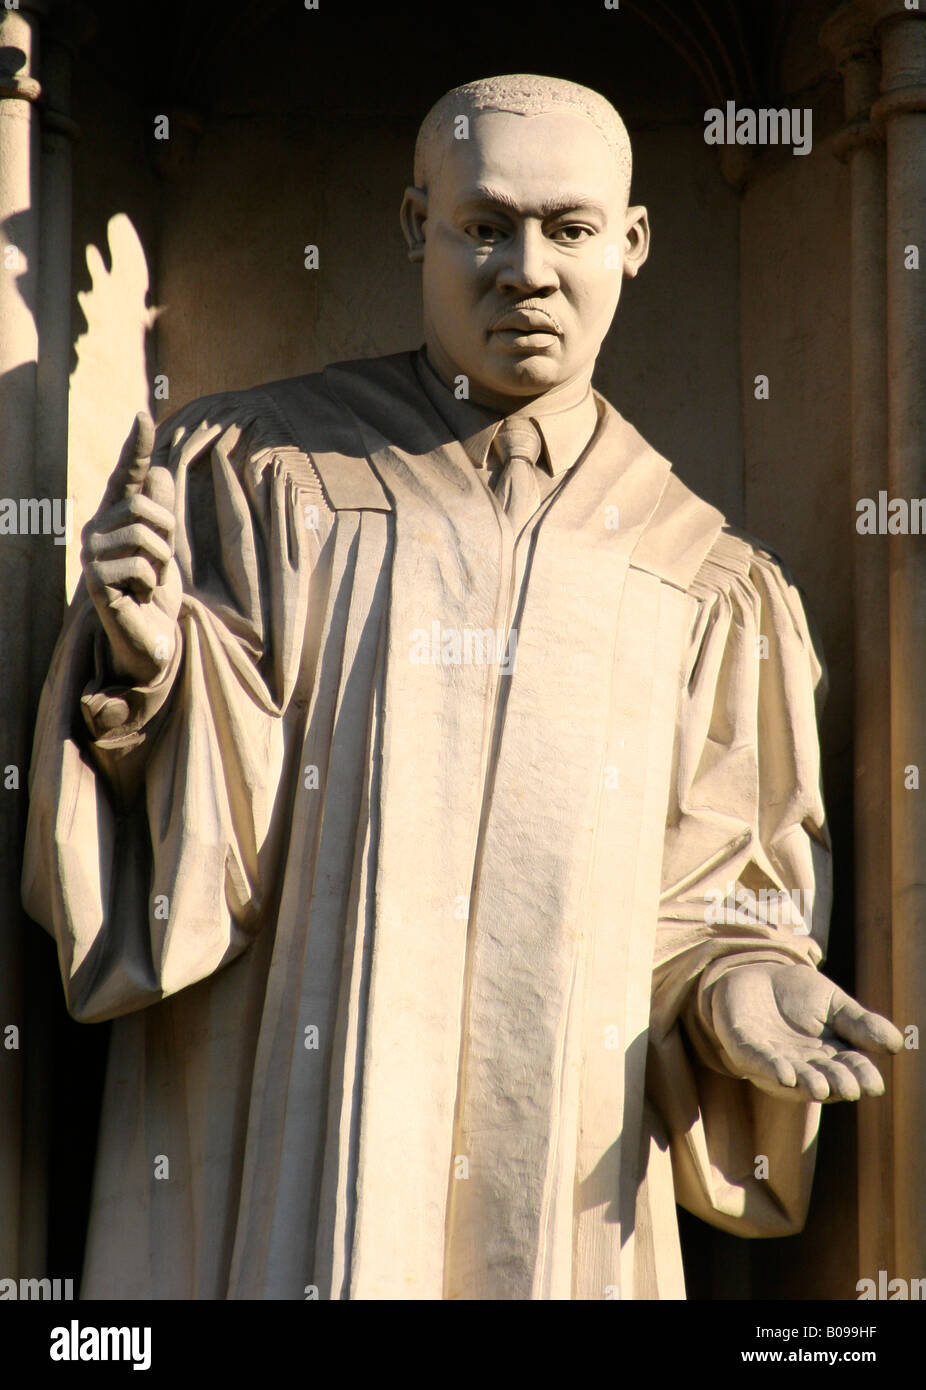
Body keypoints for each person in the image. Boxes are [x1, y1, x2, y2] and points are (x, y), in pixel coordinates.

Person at [23, 74, 902, 1300]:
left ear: (633, 244)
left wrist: (737, 985)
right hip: (294, 1156)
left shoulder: (702, 575)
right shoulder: (256, 471)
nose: (527, 269)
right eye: (485, 225)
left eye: (571, 229)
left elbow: (715, 899)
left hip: (562, 1182)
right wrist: (144, 670)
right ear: (412, 226)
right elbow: (182, 854)